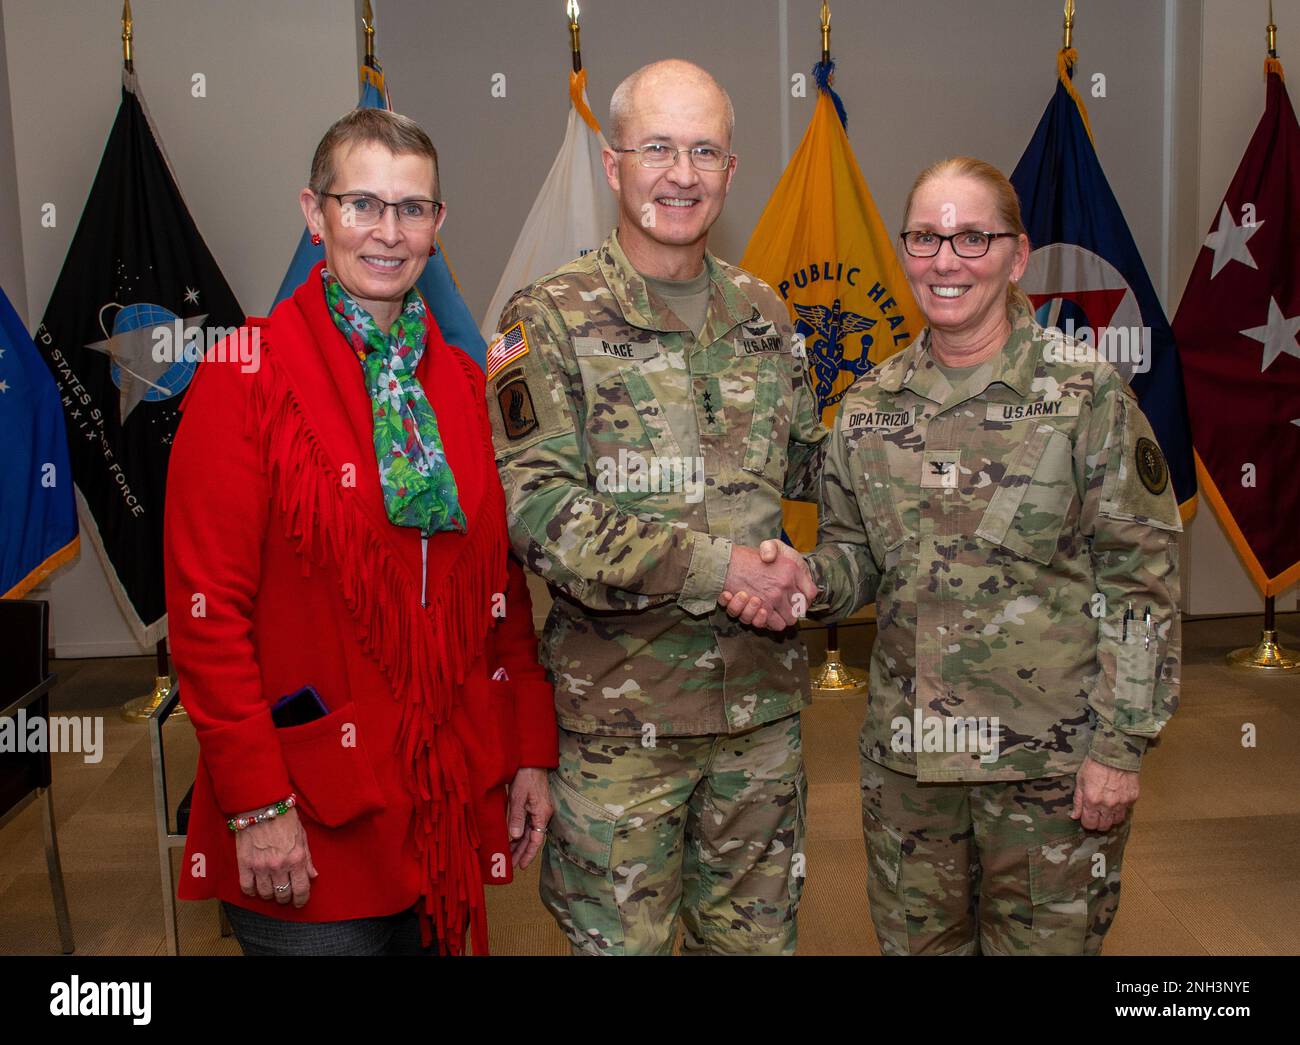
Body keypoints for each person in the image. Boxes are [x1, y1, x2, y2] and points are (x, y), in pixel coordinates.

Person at [723, 156, 1182, 955]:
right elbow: (856, 557)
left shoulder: (1086, 396)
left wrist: (1119, 747)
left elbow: (1142, 582)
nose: (946, 260)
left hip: (1048, 776)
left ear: (1017, 256)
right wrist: (801, 580)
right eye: (926, 238)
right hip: (909, 775)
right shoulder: (869, 407)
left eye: (973, 238)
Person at [164, 107, 556, 956]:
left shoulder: (457, 376)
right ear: (315, 213)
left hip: (442, 802)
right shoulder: (246, 373)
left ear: (437, 226)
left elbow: (499, 587)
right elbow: (206, 618)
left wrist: (528, 748)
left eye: (413, 209)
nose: (388, 232)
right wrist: (257, 805)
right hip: (308, 811)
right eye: (361, 204)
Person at [487, 59, 825, 955]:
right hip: (617, 734)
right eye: (659, 148)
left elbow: (810, 466)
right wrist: (724, 570)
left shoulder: (765, 315)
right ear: (613, 164)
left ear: (731, 169)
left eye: (705, 150)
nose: (682, 173)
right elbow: (542, 516)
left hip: (759, 721)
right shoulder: (547, 320)